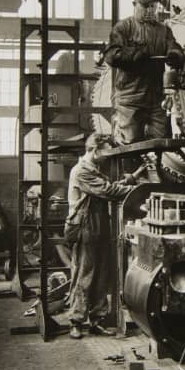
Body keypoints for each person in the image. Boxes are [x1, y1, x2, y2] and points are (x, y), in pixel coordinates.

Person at [64, 134, 137, 339]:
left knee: (101, 274)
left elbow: (110, 184)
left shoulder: (94, 170)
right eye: (105, 152)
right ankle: (76, 321)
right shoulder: (81, 171)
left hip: (100, 224)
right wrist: (137, 189)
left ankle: (97, 319)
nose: (106, 157)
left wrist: (130, 179)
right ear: (95, 150)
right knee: (84, 274)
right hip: (84, 225)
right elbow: (107, 189)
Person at [102, 0, 185, 145]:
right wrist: (134, 55)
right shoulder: (124, 28)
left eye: (153, 6)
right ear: (135, 4)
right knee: (130, 143)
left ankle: (154, 170)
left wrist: (175, 55)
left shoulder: (163, 31)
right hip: (130, 97)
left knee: (162, 141)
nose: (149, 10)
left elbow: (174, 48)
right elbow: (111, 55)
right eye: (145, 6)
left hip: (156, 97)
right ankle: (119, 134)